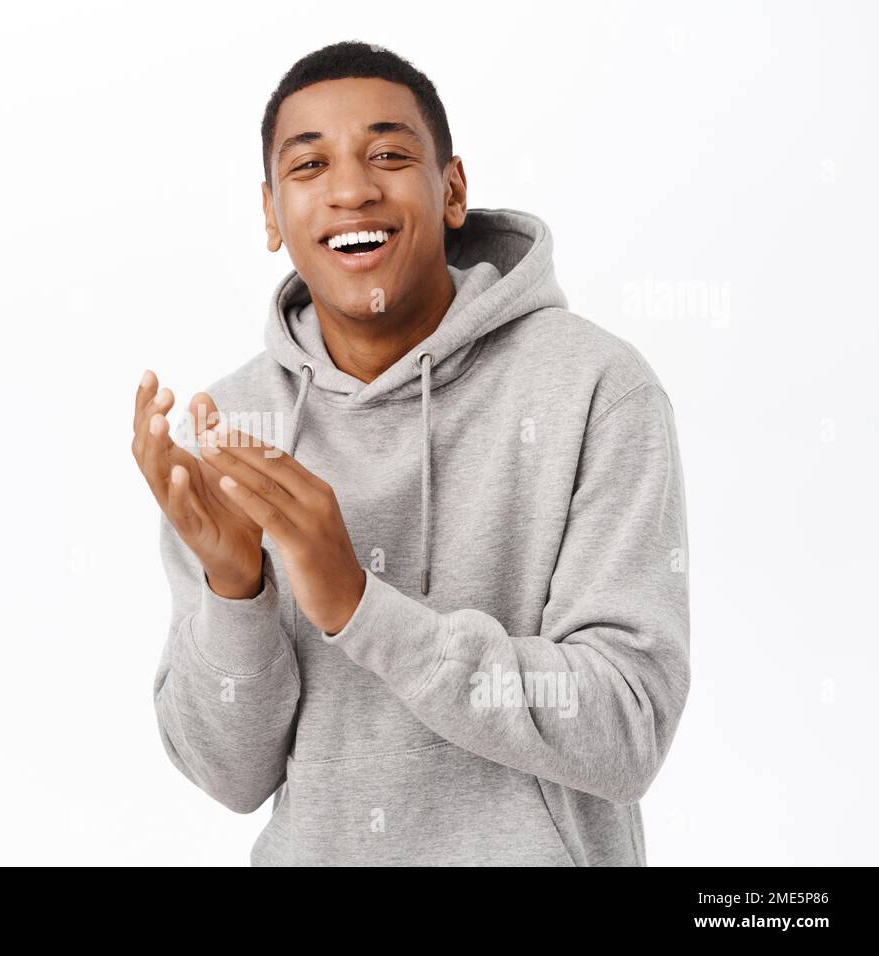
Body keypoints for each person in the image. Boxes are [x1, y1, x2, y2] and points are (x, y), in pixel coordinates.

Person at [132, 40, 690, 866]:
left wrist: (363, 607)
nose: (353, 189)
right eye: (310, 165)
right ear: (270, 212)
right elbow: (231, 777)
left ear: (453, 189)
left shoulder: (595, 388)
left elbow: (627, 728)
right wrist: (234, 589)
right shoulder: (231, 429)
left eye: (388, 155)